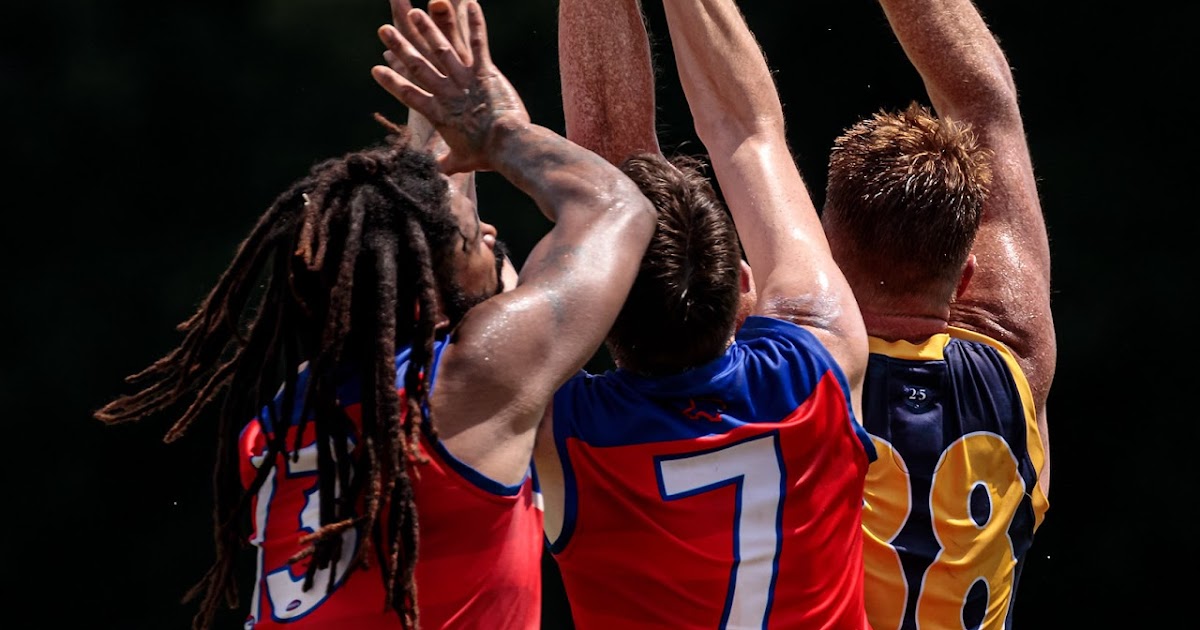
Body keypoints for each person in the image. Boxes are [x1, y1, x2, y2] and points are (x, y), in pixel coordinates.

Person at [92, 1, 656, 628]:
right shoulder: (470, 385)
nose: (493, 232)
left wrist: (441, 85)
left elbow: (431, 206)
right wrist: (499, 134)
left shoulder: (289, 416)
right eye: (475, 236)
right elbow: (615, 207)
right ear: (425, 289)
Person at [534, 0, 877, 627]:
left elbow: (597, 209)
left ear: (599, 314)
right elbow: (747, 132)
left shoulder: (560, 435)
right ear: (744, 286)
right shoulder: (822, 359)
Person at [818, 0, 1057, 628]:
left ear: (823, 259)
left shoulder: (785, 383)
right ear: (967, 276)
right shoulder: (1016, 364)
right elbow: (986, 103)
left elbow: (654, 168)